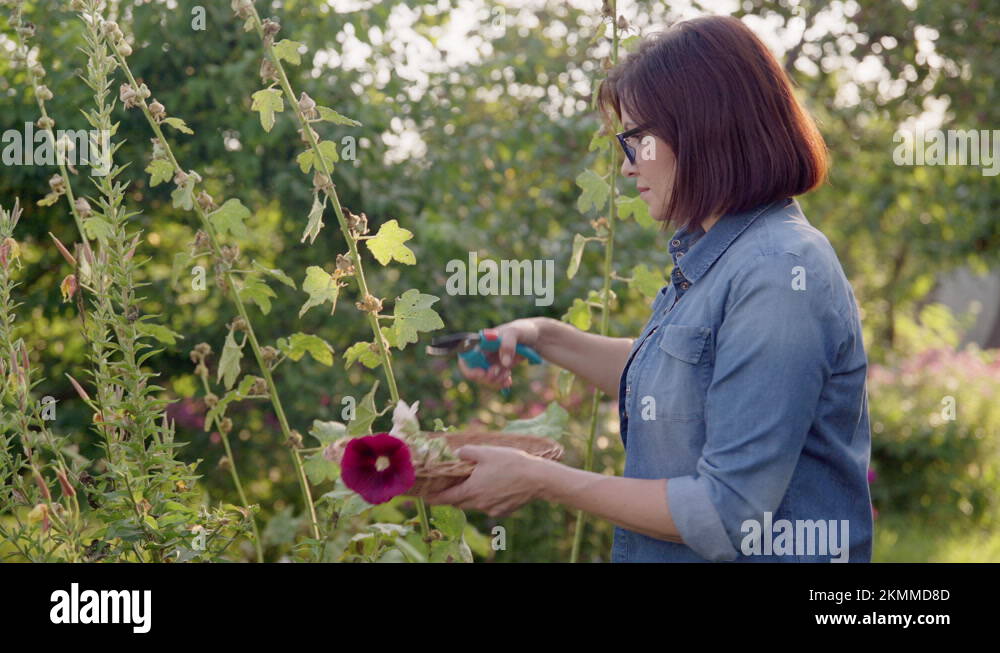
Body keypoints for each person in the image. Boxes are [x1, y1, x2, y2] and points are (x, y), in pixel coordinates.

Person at [424, 14, 873, 562]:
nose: (626, 165)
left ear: (705, 127)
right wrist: (542, 336)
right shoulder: (720, 253)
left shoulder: (778, 272)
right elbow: (684, 381)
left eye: (637, 138)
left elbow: (725, 512)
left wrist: (543, 479)